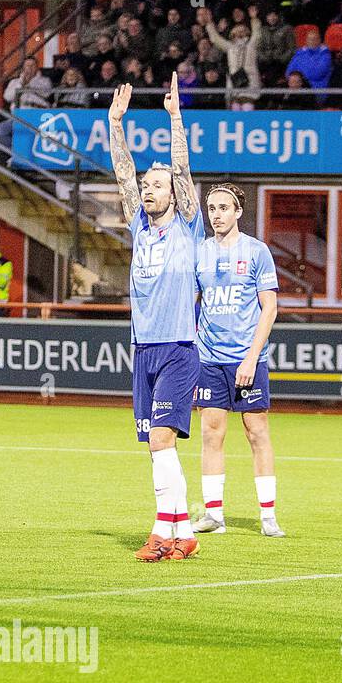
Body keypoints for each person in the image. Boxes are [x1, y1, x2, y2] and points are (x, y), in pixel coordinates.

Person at [108, 73, 205, 563]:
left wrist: (174, 118)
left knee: (163, 438)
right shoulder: (140, 226)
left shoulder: (187, 223)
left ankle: (159, 531)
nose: (147, 189)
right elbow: (123, 174)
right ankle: (183, 528)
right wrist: (115, 124)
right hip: (143, 348)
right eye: (146, 184)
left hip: (178, 350)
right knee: (155, 447)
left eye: (156, 184)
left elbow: (184, 174)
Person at [192, 183, 284, 539]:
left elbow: (270, 308)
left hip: (247, 358)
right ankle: (214, 516)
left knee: (257, 432)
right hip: (209, 358)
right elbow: (190, 302)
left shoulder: (257, 252)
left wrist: (250, 358)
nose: (216, 214)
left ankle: (268, 515)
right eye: (212, 208)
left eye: (223, 208)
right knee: (210, 433)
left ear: (238, 212)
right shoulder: (199, 253)